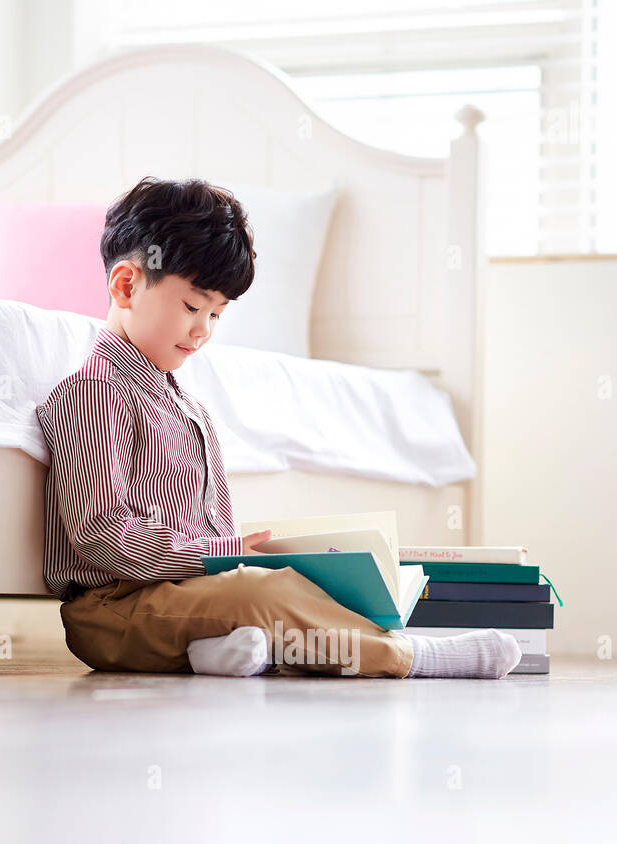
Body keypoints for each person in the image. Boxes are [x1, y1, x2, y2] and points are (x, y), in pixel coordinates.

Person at [37, 176, 520, 680]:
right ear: (127, 284)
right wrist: (222, 558)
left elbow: (215, 532)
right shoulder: (93, 393)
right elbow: (102, 539)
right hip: (111, 612)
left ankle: (217, 652)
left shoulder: (193, 411)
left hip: (184, 598)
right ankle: (408, 656)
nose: (203, 331)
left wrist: (236, 555)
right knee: (261, 591)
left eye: (217, 315)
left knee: (280, 580)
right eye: (191, 307)